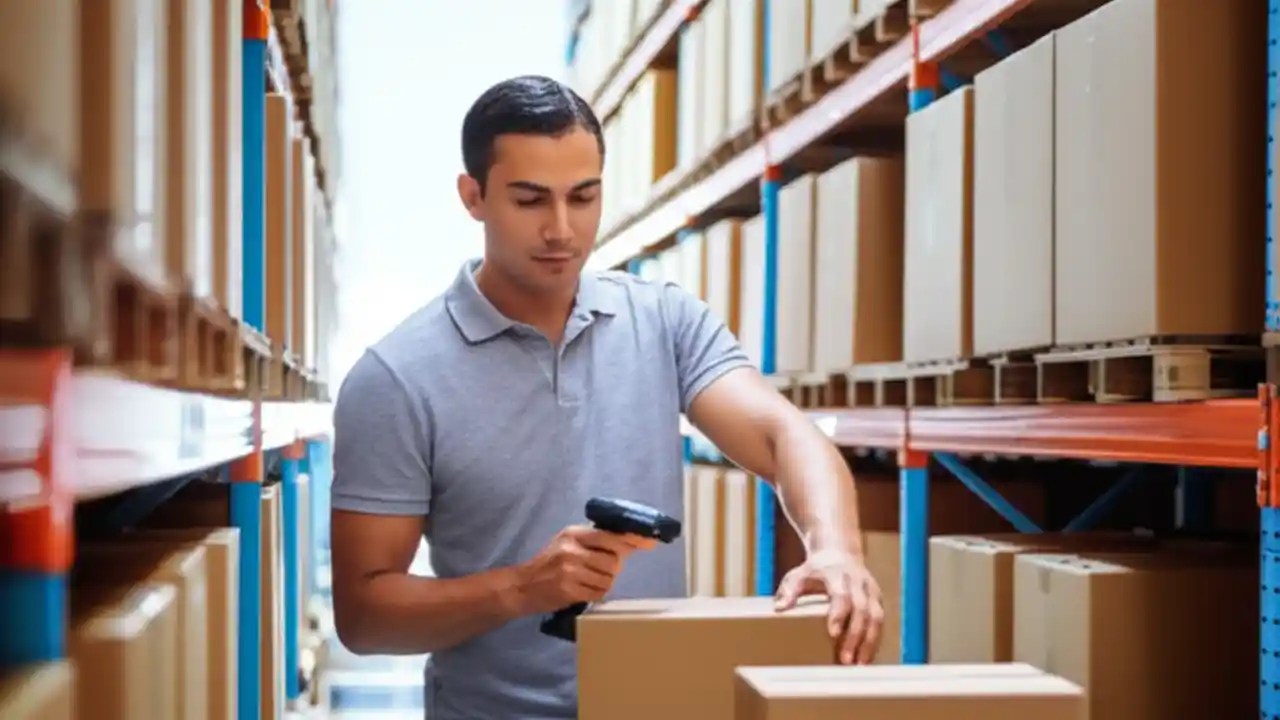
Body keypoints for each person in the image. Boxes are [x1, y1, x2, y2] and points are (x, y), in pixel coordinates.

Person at [329, 74, 884, 719]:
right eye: (530, 200)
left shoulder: (665, 322)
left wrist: (835, 548)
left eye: (583, 197)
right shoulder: (395, 378)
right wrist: (521, 588)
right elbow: (365, 617)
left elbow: (784, 434)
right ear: (472, 196)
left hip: (657, 704)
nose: (562, 230)